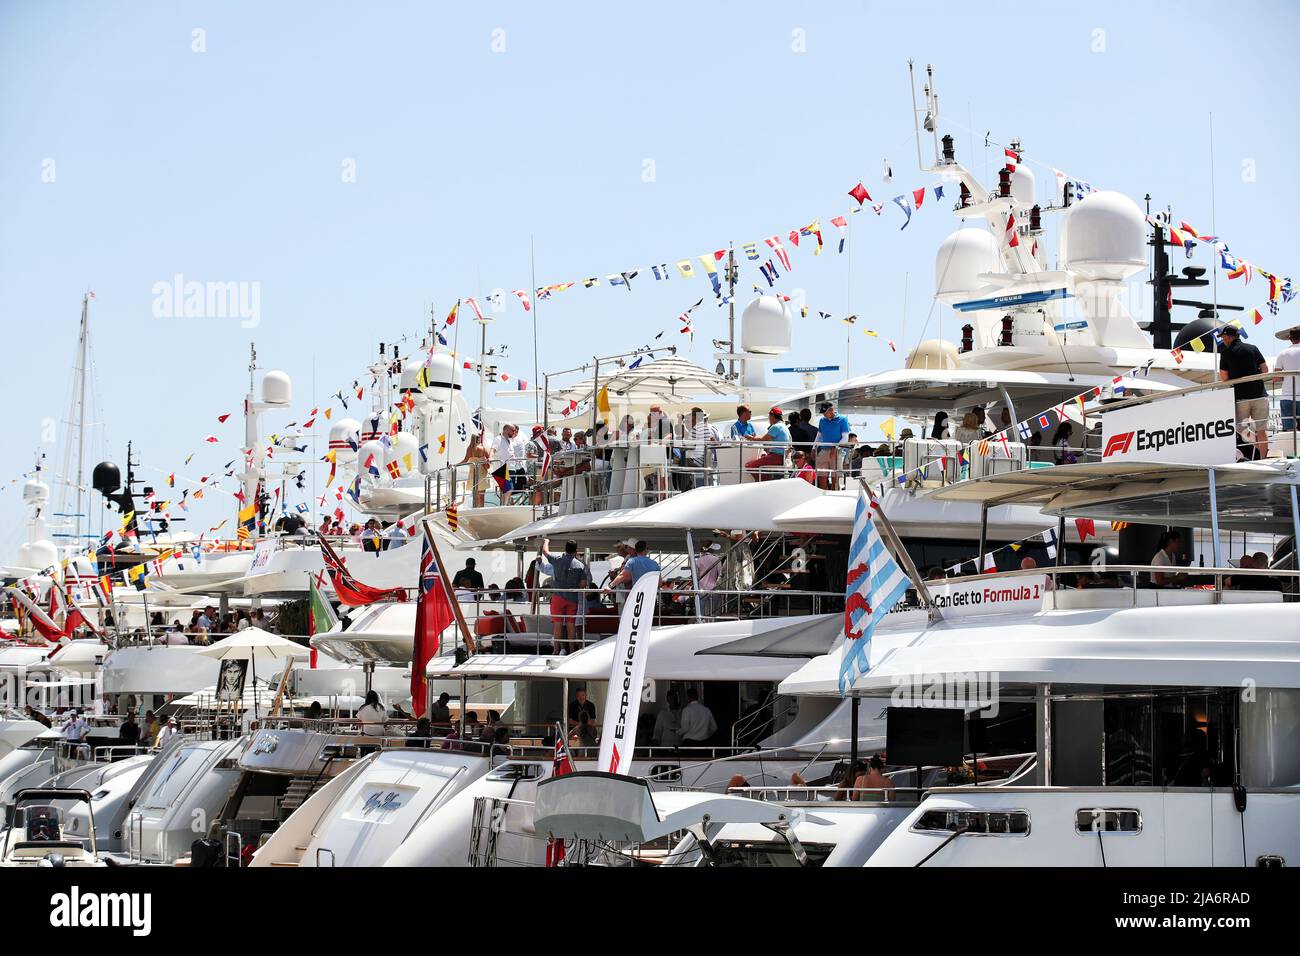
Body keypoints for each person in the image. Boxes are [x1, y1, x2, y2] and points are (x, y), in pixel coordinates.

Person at [1217, 324, 1270, 459]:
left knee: (1240, 429)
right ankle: (1264, 457)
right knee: (1262, 430)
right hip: (1260, 395)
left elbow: (1223, 376)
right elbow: (1265, 369)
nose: (1222, 340)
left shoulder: (1226, 353)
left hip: (1241, 397)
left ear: (1228, 337)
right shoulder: (1252, 348)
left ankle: (1257, 445)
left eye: (1223, 337)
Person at [541, 539, 588, 654]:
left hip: (558, 597)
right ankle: (572, 651)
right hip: (572, 598)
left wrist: (546, 541)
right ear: (576, 550)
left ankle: (556, 651)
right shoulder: (581, 566)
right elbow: (583, 584)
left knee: (557, 624)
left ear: (565, 549)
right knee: (571, 625)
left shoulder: (557, 560)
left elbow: (545, 552)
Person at [744, 407, 791, 480]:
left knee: (749, 465)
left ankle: (763, 483)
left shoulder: (776, 426)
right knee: (762, 458)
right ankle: (766, 481)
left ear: (772, 416)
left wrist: (749, 437)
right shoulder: (784, 427)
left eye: (769, 417)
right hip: (783, 457)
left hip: (777, 457)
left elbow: (763, 439)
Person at [814, 402, 851, 489]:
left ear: (831, 410)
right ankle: (823, 496)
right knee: (821, 477)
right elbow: (819, 435)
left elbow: (845, 437)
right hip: (823, 451)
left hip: (837, 452)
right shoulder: (822, 420)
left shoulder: (843, 419)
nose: (824, 415)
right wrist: (813, 448)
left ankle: (835, 495)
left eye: (825, 412)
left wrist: (835, 448)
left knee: (836, 477)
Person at [1275, 324, 1300, 432]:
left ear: (1290, 339)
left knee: (1289, 432)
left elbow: (1276, 378)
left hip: (1287, 397)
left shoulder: (1282, 353)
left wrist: (1288, 377)